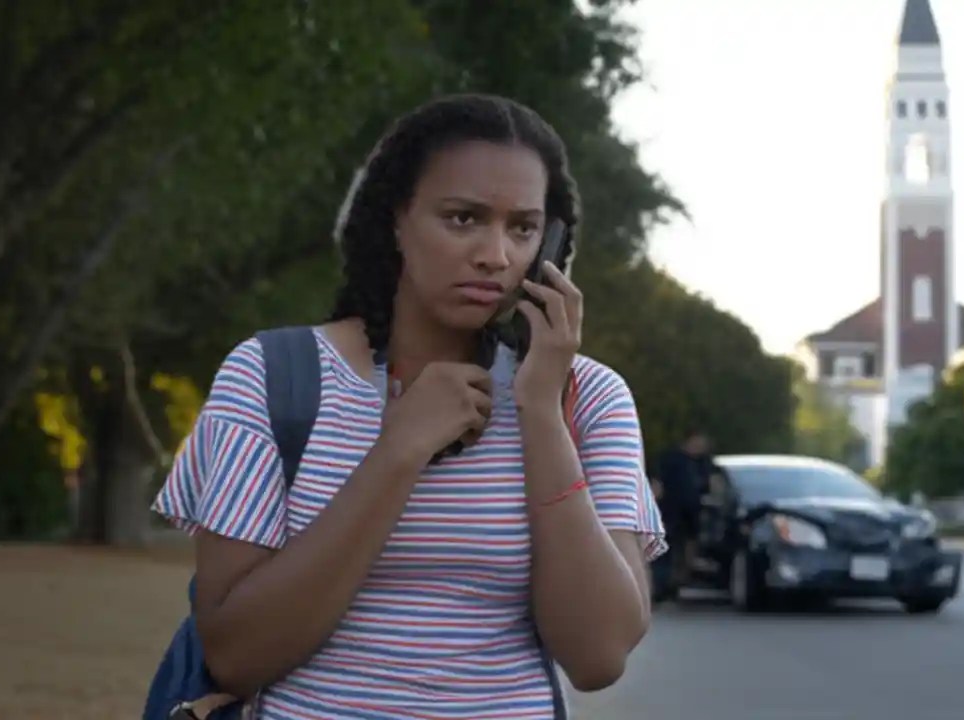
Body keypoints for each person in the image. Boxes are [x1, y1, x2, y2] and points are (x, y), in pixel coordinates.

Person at [151, 93, 666, 720]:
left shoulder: (589, 400)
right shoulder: (271, 378)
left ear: (552, 247)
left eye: (523, 228)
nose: (496, 255)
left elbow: (597, 656)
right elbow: (236, 655)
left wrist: (541, 412)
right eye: (462, 218)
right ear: (396, 217)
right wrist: (398, 451)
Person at [653, 430, 710, 598]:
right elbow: (658, 484)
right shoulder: (672, 459)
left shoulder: (703, 463)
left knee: (685, 549)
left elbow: (710, 485)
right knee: (665, 551)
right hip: (670, 511)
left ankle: (677, 582)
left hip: (692, 514)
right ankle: (661, 587)